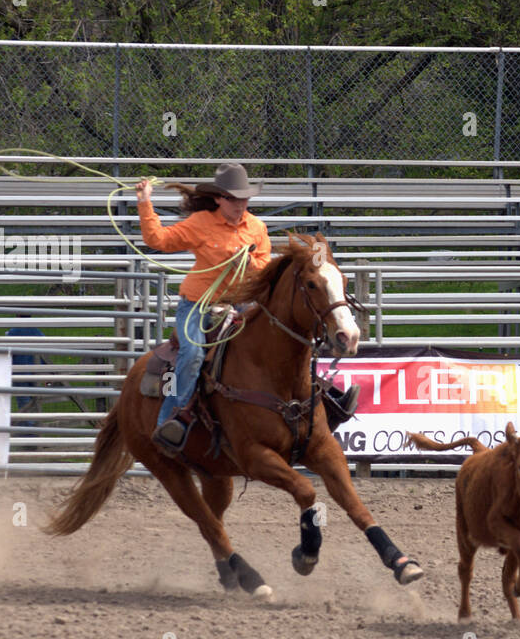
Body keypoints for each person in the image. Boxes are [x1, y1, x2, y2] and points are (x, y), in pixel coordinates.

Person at [136, 163, 357, 455]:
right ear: (218, 198)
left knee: (283, 342)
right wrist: (144, 202)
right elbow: (158, 240)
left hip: (241, 302)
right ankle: (171, 419)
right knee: (191, 353)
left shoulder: (256, 227)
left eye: (244, 199)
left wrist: (248, 262)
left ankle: (326, 401)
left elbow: (264, 267)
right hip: (198, 304)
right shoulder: (201, 223)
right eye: (233, 198)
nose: (240, 204)